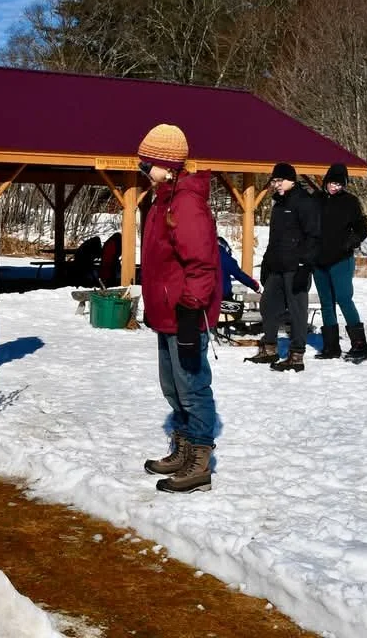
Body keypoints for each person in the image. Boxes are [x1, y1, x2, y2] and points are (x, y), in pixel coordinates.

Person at [136, 124, 221, 493]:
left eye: (146, 163)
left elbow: (201, 262)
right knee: (172, 387)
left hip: (186, 312)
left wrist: (190, 307)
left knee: (192, 386)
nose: (142, 169)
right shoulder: (162, 199)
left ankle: (199, 461)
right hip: (166, 313)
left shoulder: (185, 202)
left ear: (166, 164)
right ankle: (183, 446)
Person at [246, 163, 321, 372]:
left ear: (292, 180)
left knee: (297, 312)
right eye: (274, 181)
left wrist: (305, 266)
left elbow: (313, 237)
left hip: (296, 268)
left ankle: (296, 355)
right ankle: (269, 348)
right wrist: (267, 263)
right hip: (277, 266)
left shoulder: (305, 203)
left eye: (280, 181)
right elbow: (275, 239)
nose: (276, 185)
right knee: (268, 306)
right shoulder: (279, 204)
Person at [313, 163, 367, 363]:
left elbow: (362, 228)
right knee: (326, 303)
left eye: (339, 184)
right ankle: (331, 346)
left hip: (341, 259)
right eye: (332, 183)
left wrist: (352, 241)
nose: (334, 187)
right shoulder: (316, 199)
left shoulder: (350, 202)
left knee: (344, 299)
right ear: (326, 181)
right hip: (319, 261)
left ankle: (360, 346)